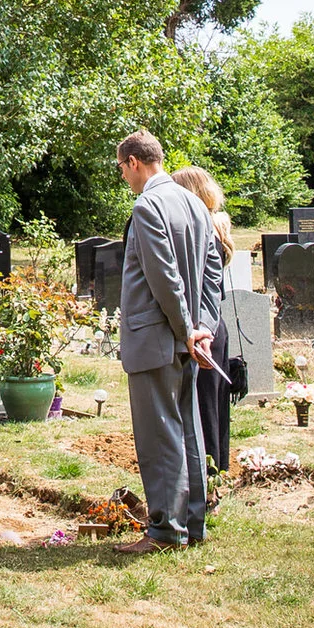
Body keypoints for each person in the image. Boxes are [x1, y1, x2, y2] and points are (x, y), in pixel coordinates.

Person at [113, 131, 218, 554]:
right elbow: (213, 268)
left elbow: (163, 276)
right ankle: (192, 524)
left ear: (135, 162)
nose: (123, 177)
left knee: (160, 437)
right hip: (187, 337)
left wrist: (187, 329)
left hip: (159, 337)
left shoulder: (148, 205)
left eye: (122, 168)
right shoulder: (194, 202)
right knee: (188, 431)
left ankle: (164, 531)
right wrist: (205, 325)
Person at [170, 166, 236, 476]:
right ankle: (215, 466)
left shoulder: (203, 229)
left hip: (203, 327)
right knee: (209, 400)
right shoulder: (211, 226)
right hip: (214, 324)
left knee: (205, 402)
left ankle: (209, 471)